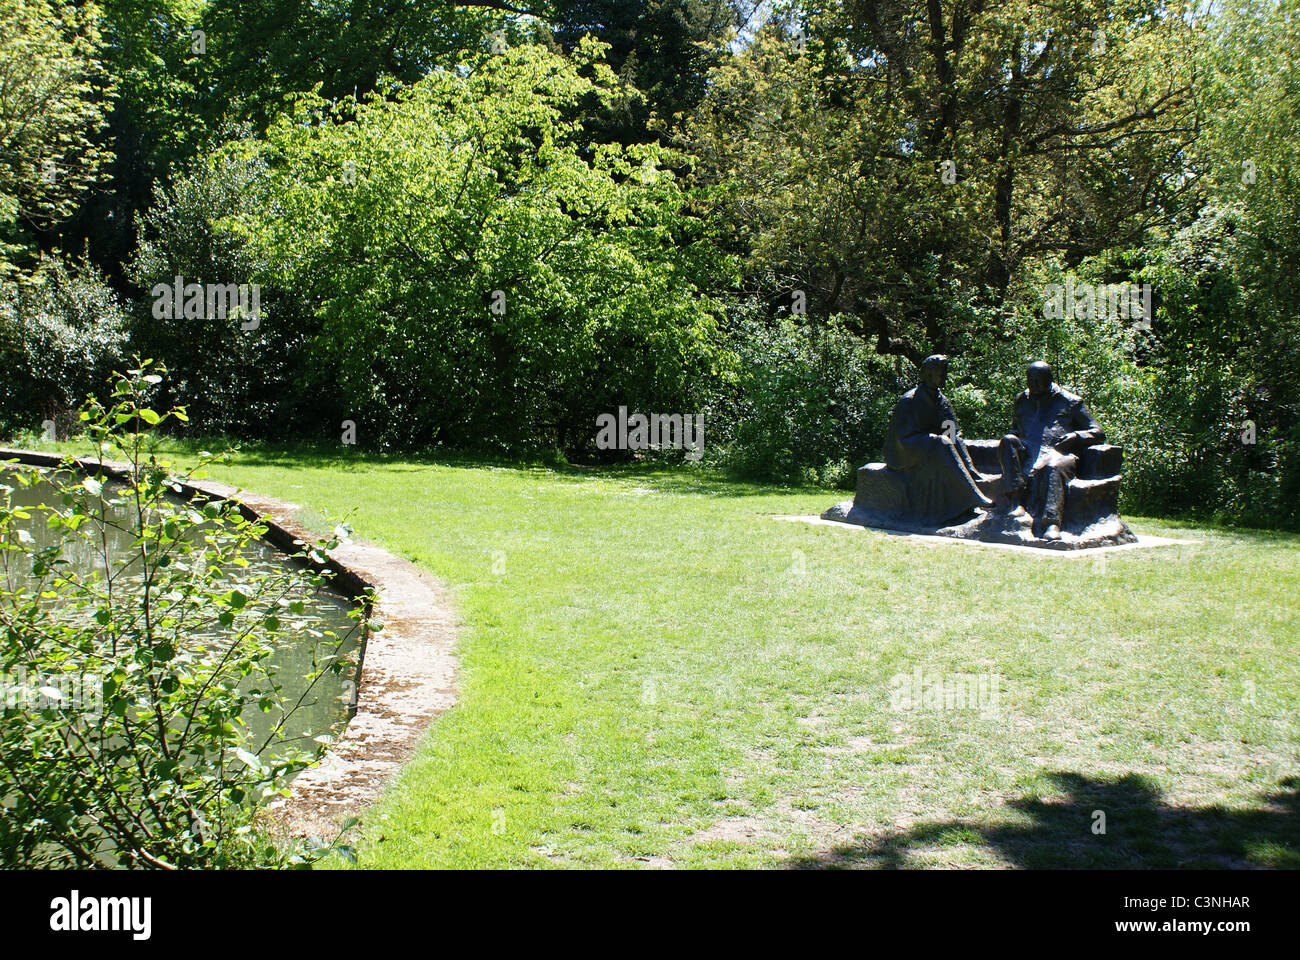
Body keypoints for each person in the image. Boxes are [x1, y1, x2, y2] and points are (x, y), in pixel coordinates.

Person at [997, 361, 1105, 540]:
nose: (1033, 385)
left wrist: (1077, 437)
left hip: (1060, 452)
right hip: (1029, 450)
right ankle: (1015, 502)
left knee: (1053, 467)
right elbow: (1015, 428)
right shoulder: (1022, 400)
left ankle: (1052, 523)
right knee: (1008, 441)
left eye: (1038, 380)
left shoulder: (1070, 401)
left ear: (1049, 379)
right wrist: (1013, 437)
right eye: (1030, 380)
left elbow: (1098, 432)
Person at [882, 354, 993, 525]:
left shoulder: (942, 401)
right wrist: (937, 440)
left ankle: (971, 476)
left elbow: (951, 431)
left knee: (953, 440)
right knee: (942, 441)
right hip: (904, 450)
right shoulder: (909, 400)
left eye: (945, 372)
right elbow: (900, 437)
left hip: (930, 446)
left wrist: (964, 457)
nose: (943, 376)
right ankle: (973, 495)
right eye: (939, 372)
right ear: (927, 374)